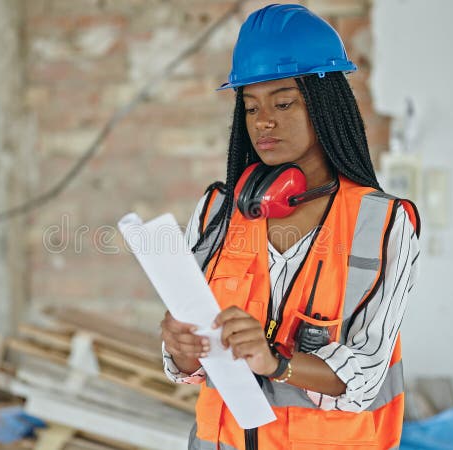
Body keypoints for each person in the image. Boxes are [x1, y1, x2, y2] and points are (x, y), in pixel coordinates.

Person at [160, 4, 420, 450]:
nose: (263, 120)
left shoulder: (383, 223)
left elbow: (366, 373)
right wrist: (182, 350)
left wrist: (276, 361)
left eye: (283, 102)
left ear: (325, 105)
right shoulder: (215, 212)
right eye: (250, 106)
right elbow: (192, 361)